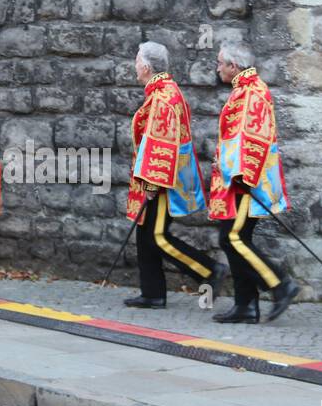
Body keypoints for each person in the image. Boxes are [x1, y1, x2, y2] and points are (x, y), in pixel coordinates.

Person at [123, 42, 225, 308]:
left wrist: (152, 182)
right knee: (145, 234)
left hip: (161, 180)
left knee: (156, 236)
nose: (134, 66)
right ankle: (152, 293)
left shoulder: (162, 96)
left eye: (136, 61)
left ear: (145, 66)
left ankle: (208, 270)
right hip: (160, 176)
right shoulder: (164, 91)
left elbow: (162, 142)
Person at [207, 43, 299, 324]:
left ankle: (280, 284)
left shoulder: (252, 92)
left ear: (234, 66)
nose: (218, 67)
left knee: (232, 237)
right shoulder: (245, 90)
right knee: (237, 238)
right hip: (237, 179)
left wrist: (244, 176)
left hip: (244, 181)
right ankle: (245, 305)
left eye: (221, 63)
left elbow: (256, 136)